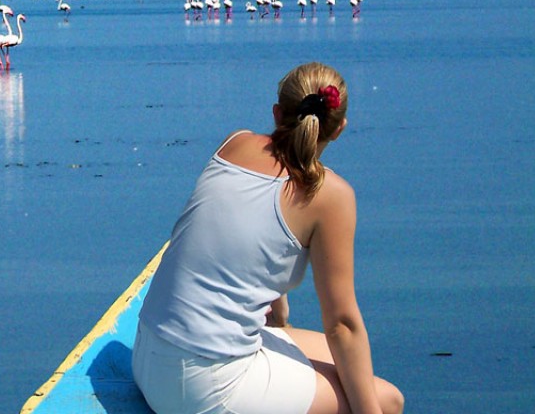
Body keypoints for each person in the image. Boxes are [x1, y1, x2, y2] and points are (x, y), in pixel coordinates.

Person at [133, 62, 403, 414]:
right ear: (339, 129)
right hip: (204, 390)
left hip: (148, 357)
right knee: (385, 398)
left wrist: (278, 311)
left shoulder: (234, 144)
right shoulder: (331, 196)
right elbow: (342, 326)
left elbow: (249, 235)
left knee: (342, 362)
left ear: (277, 114)